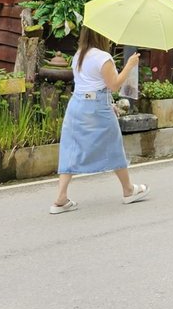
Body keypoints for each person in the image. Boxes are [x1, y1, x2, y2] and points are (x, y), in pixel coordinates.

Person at [50, 28, 146, 213]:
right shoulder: (103, 58)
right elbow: (114, 85)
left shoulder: (79, 55)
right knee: (114, 144)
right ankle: (128, 190)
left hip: (76, 105)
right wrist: (130, 64)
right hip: (96, 107)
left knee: (70, 147)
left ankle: (61, 197)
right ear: (101, 35)